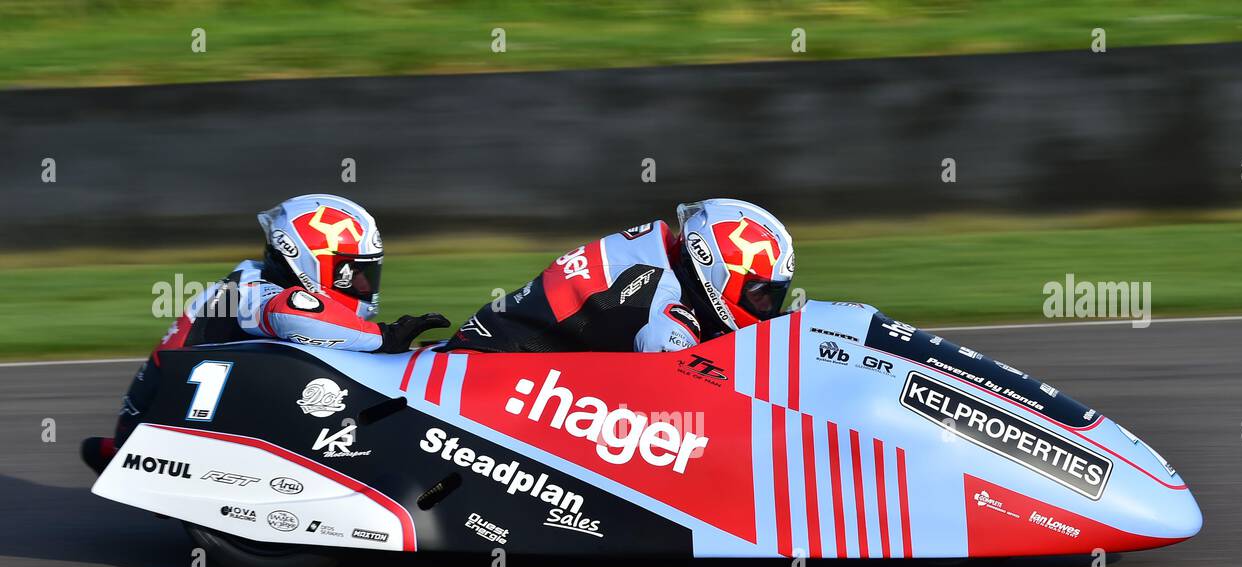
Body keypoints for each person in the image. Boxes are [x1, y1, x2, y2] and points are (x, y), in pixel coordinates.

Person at [81, 193, 444, 473]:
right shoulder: (252, 291)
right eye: (352, 272)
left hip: (189, 420)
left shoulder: (253, 282)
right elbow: (293, 316)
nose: (364, 283)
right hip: (160, 431)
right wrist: (384, 337)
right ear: (305, 262)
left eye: (369, 271)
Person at [443, 198, 794, 353]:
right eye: (758, 292)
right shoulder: (665, 316)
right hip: (491, 375)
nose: (765, 306)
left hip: (492, 346)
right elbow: (685, 404)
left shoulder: (656, 249)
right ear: (711, 265)